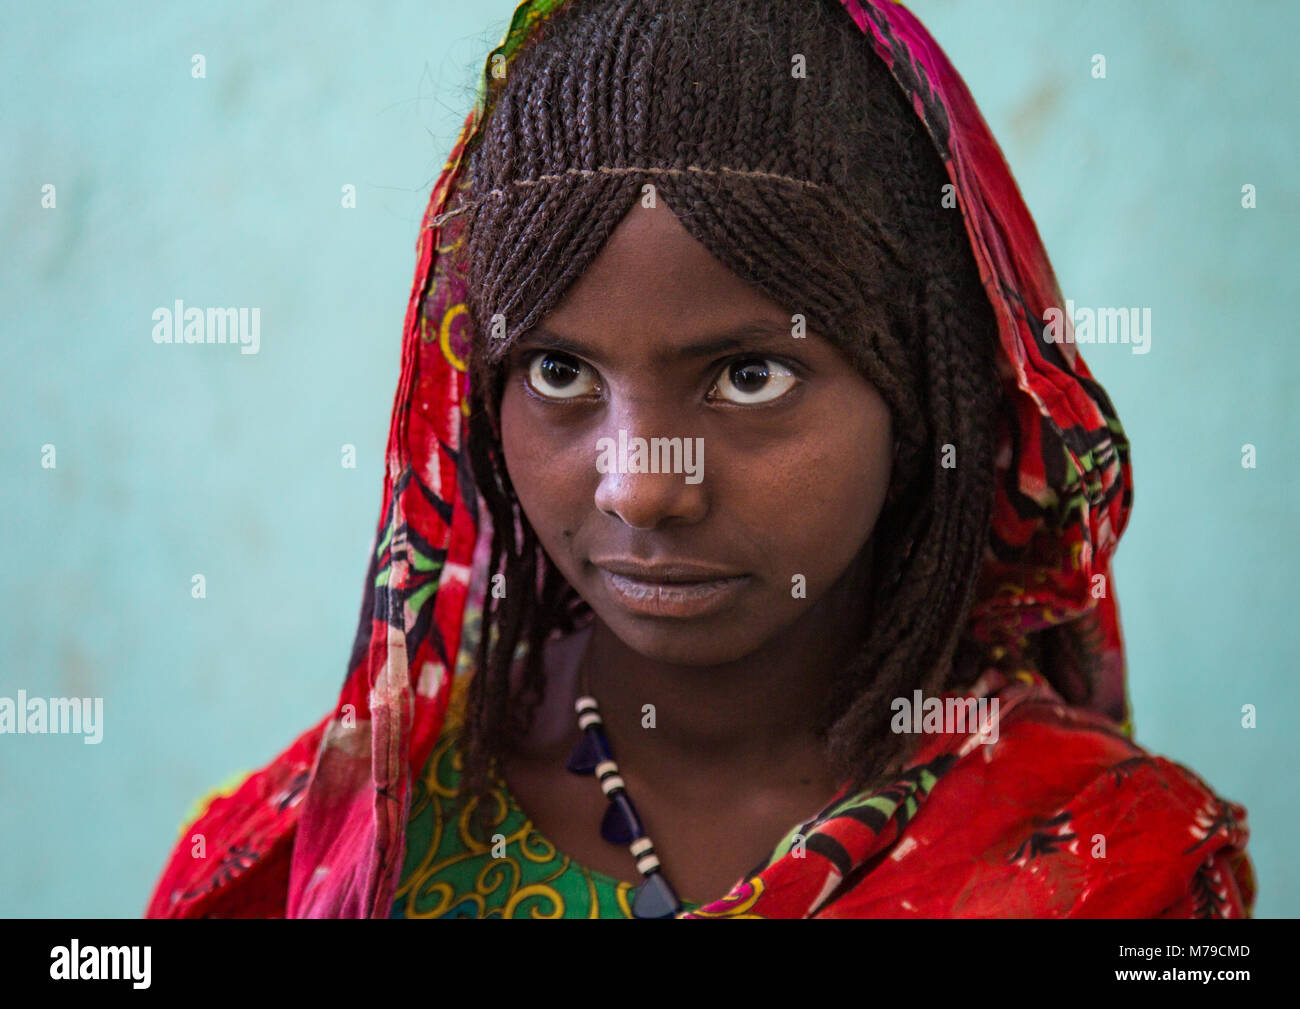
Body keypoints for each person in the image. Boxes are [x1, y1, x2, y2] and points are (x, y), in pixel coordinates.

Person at [145, 0, 1254, 919]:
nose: (640, 483)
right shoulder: (325, 860)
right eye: (559, 374)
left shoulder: (1115, 874)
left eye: (749, 375)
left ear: (921, 392)